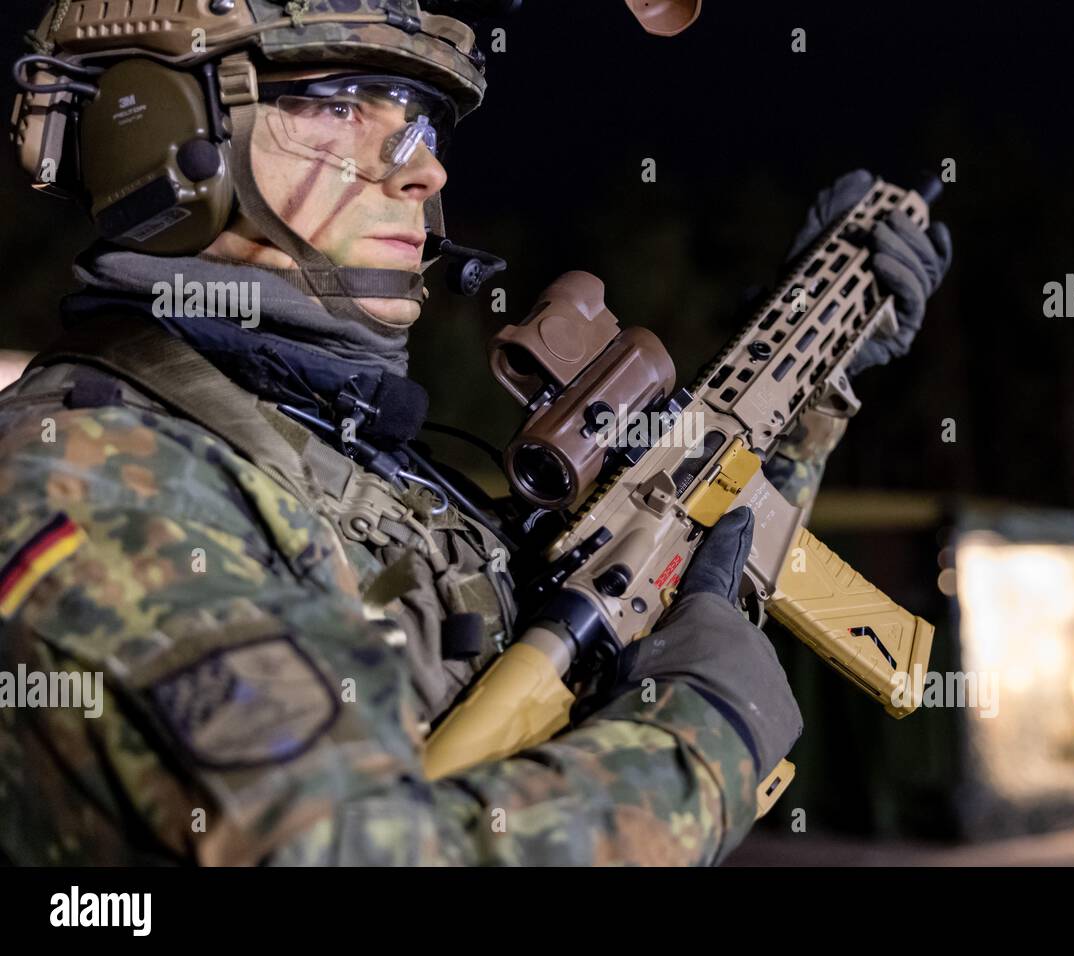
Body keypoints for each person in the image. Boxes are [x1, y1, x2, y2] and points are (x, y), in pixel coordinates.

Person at [0, 0, 949, 865]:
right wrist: (702, 739)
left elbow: (665, 563)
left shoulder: (323, 448)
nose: (423, 167)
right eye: (335, 105)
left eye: (413, 116)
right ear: (163, 135)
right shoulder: (85, 479)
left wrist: (811, 385)